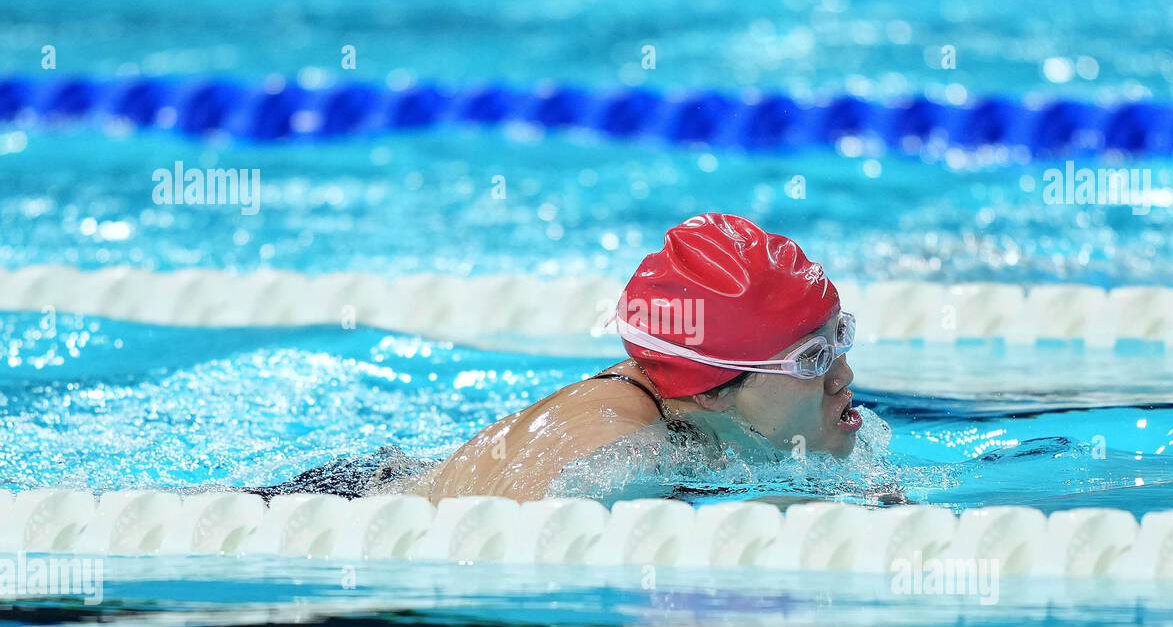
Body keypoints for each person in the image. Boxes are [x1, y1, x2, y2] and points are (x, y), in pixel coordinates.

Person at [248, 213, 869, 504]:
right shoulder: (620, 461)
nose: (842, 375)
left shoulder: (685, 403)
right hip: (334, 523)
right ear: (710, 391)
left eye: (836, 336)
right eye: (811, 359)